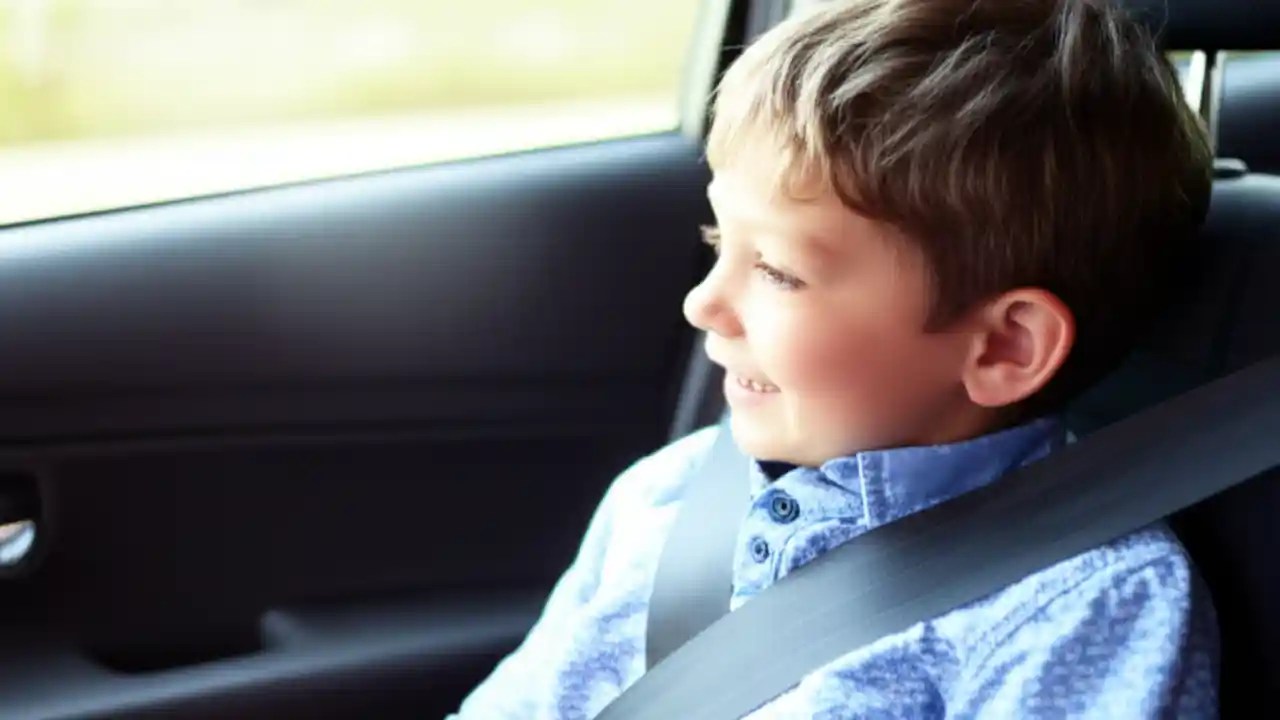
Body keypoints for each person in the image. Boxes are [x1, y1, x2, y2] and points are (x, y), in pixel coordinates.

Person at [451, 0, 1218, 716]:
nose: (702, 303)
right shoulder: (665, 497)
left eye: (779, 270)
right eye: (721, 241)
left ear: (1006, 346)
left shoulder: (1087, 604)